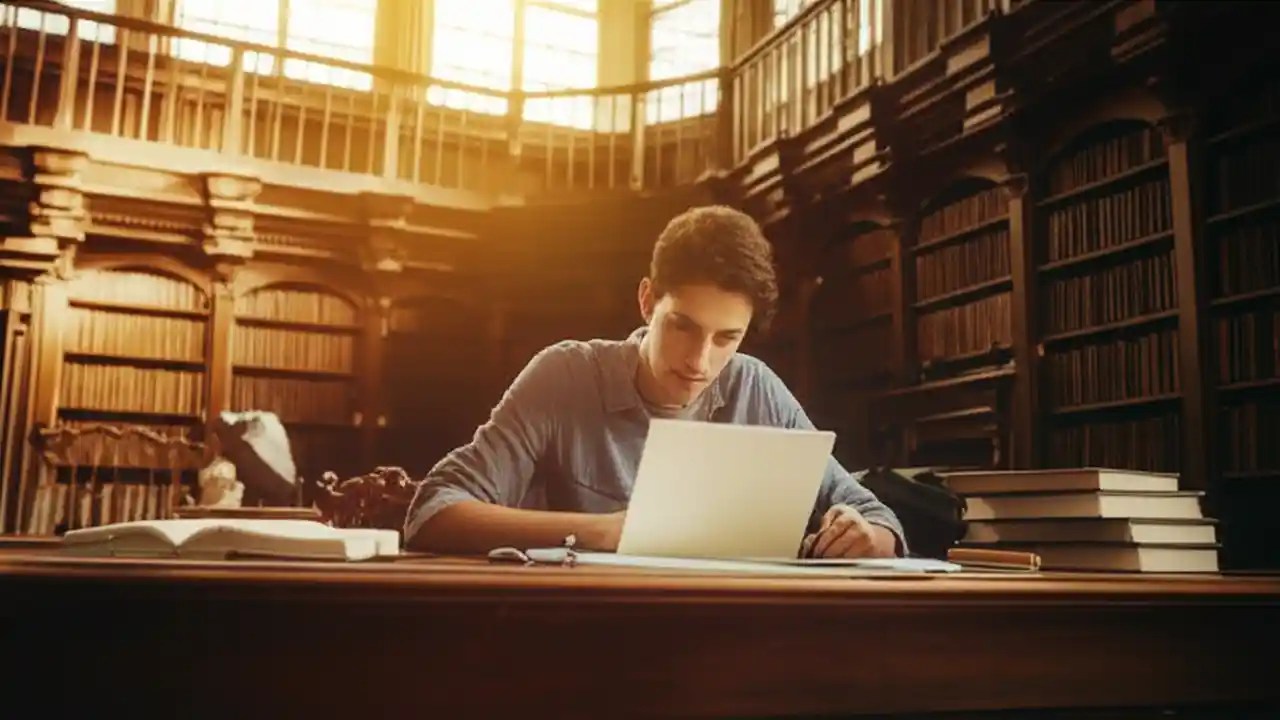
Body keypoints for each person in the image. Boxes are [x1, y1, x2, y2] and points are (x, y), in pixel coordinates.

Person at [404, 205, 906, 558]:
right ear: (647, 301)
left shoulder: (756, 387)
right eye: (682, 326)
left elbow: (880, 520)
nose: (700, 362)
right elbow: (433, 512)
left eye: (727, 338)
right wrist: (607, 532)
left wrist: (866, 536)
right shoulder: (565, 376)